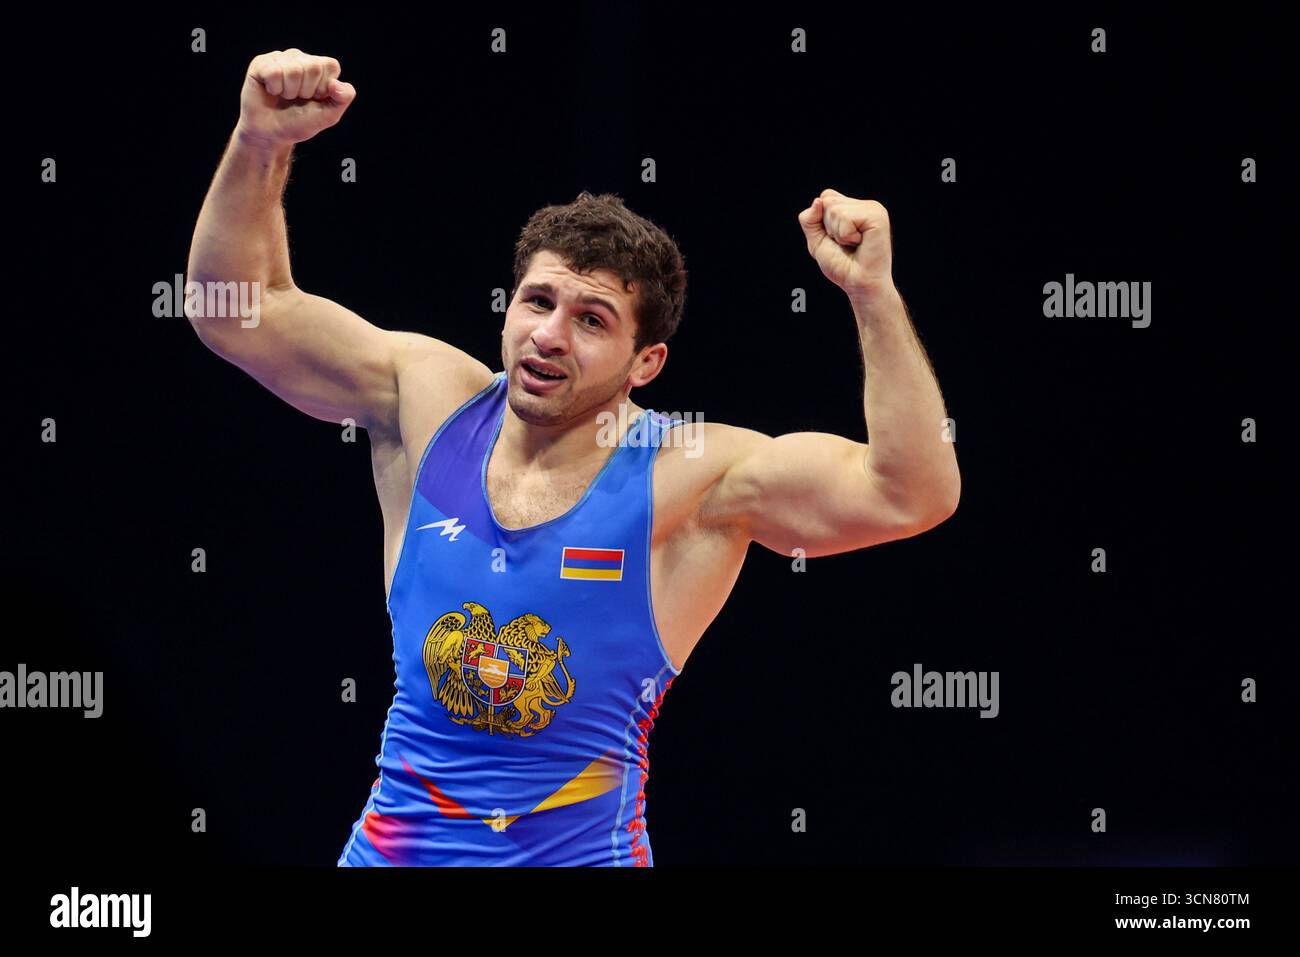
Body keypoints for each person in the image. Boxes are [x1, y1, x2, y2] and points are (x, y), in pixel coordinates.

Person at [186, 49, 961, 866]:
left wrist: (871, 295)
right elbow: (235, 312)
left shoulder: (694, 476)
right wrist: (259, 142)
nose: (550, 334)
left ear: (645, 363)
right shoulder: (427, 401)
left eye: (592, 320)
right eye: (538, 301)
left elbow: (912, 491)